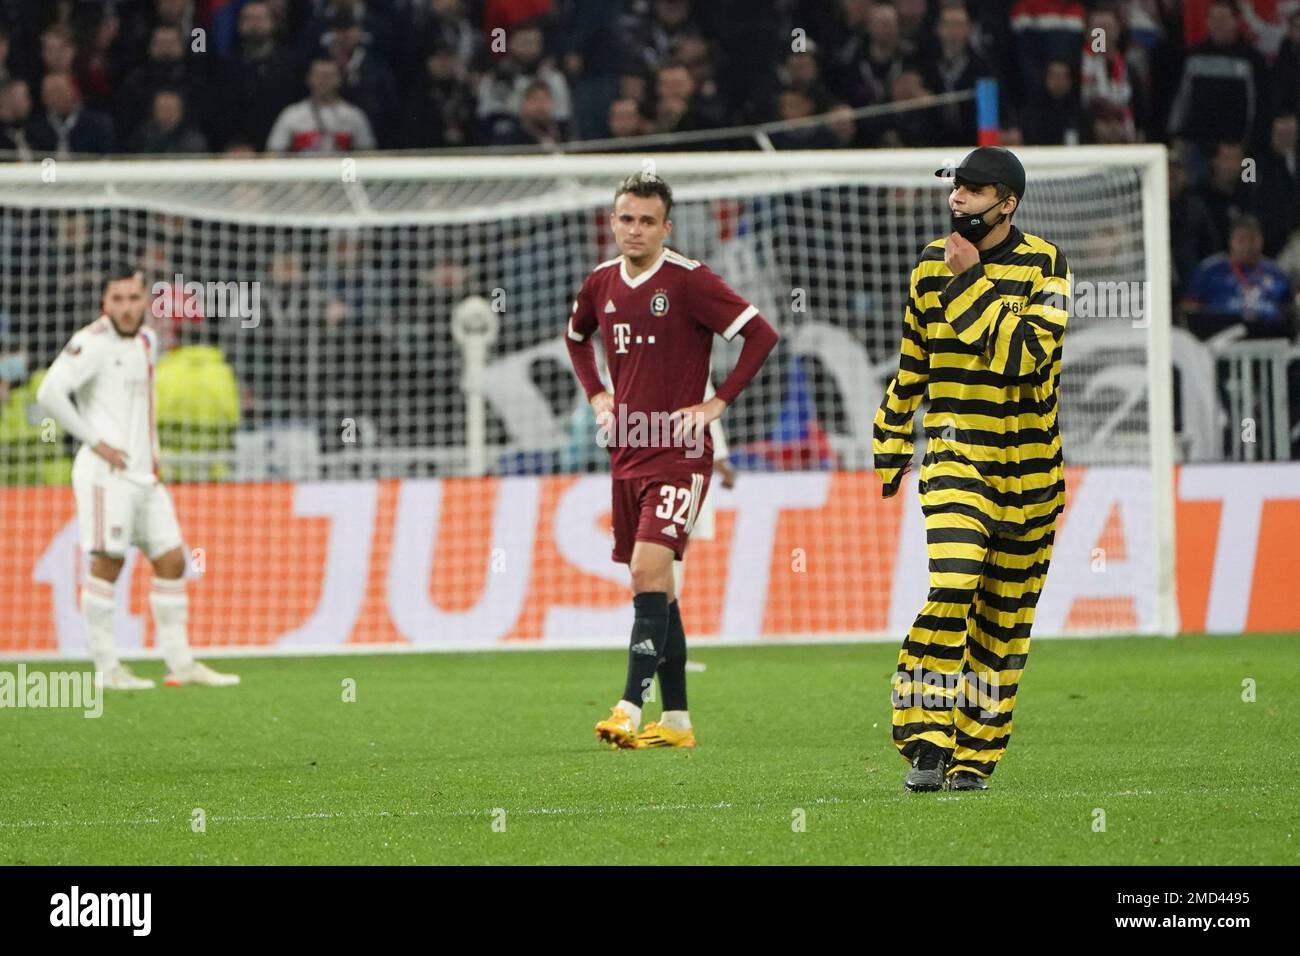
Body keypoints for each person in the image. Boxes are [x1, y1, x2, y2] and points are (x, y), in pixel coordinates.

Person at [874, 147, 1071, 792]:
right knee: (954, 585)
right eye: (954, 188)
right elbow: (915, 358)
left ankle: (972, 759)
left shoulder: (1047, 265)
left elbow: (1024, 357)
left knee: (1003, 621)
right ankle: (926, 740)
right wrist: (892, 434)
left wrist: (969, 283)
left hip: (1032, 470)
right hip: (957, 456)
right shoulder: (930, 263)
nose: (956, 199)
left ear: (1007, 203)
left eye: (972, 190)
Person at [565, 173, 778, 749]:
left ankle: (630, 706)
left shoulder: (690, 282)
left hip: (682, 454)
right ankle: (678, 720)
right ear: (613, 223)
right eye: (625, 219)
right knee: (660, 587)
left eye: (646, 221)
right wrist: (596, 393)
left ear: (667, 227)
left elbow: (760, 334)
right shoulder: (600, 283)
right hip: (628, 450)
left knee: (644, 573)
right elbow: (576, 336)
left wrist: (716, 403)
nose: (634, 230)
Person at [36, 265, 240, 690]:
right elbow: (49, 393)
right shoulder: (89, 344)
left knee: (172, 558)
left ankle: (181, 663)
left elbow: (140, 406)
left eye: (133, 298)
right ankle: (108, 669)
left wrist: (153, 454)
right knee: (108, 562)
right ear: (104, 304)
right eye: (118, 300)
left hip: (145, 475)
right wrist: (95, 441)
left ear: (146, 300)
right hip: (105, 474)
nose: (126, 308)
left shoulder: (148, 341)